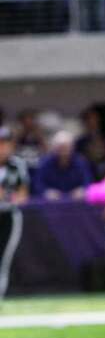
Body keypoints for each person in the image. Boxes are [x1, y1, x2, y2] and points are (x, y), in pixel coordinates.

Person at [0, 126, 30, 302]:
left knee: (3, 257)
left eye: (6, 143)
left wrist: (9, 198)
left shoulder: (16, 164)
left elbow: (23, 195)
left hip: (8, 215)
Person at [33, 130, 93, 199]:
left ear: (72, 148)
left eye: (66, 148)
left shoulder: (81, 162)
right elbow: (37, 183)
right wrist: (46, 192)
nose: (63, 152)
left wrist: (83, 190)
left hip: (76, 202)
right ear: (54, 149)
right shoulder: (45, 163)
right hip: (52, 204)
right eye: (60, 148)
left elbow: (88, 181)